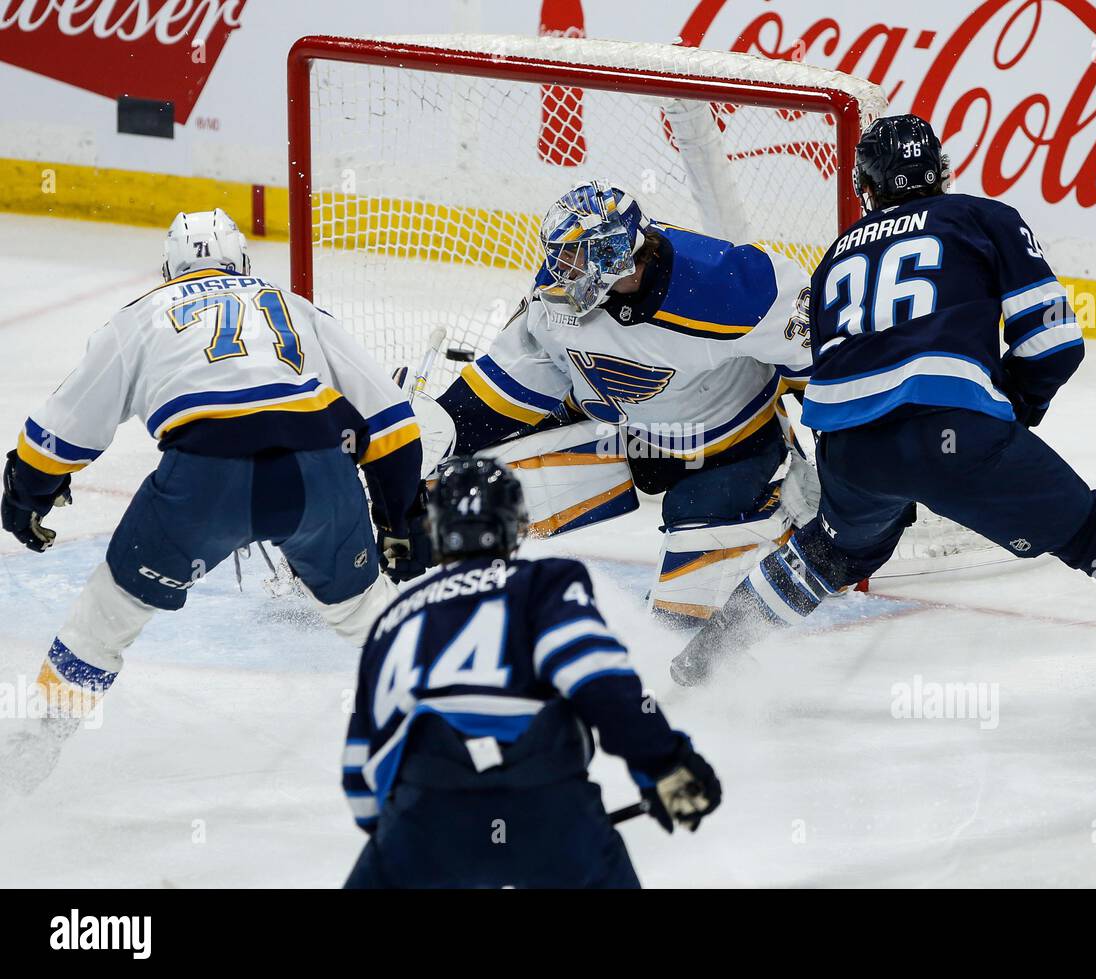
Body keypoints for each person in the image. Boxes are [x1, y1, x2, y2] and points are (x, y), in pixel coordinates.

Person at [669, 115, 1096, 737]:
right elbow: (1054, 343)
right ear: (940, 172)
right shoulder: (982, 218)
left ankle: (708, 655)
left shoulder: (837, 255)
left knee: (836, 550)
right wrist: (1010, 418)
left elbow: (827, 366)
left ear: (867, 186)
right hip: (953, 434)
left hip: (849, 449)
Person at [0, 208, 428, 792]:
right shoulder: (293, 305)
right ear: (244, 263)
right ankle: (460, 730)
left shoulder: (142, 315)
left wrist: (28, 494)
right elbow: (394, 423)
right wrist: (400, 518)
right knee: (366, 615)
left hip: (204, 486)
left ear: (170, 269)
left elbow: (64, 430)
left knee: (103, 622)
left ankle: (26, 761)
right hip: (318, 477)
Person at [409, 179, 818, 625]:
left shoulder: (731, 285)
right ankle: (388, 555)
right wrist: (424, 439)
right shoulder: (558, 300)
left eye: (575, 257)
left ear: (615, 254)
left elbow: (824, 369)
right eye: (559, 256)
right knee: (458, 486)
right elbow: (501, 391)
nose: (559, 271)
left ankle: (780, 505)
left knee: (680, 624)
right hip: (620, 438)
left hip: (729, 449)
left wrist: (840, 467)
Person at [343, 456, 721, 888]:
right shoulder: (545, 581)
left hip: (424, 822)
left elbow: (360, 770)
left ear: (434, 529)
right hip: (548, 811)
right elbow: (601, 682)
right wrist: (664, 766)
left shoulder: (393, 620)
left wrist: (405, 835)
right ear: (515, 523)